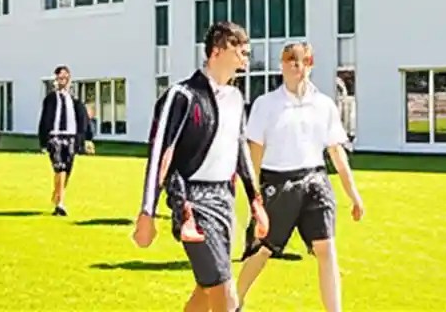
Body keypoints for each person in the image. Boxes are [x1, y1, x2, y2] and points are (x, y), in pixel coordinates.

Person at [133, 21, 269, 312]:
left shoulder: (235, 98)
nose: (247, 53)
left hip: (224, 202)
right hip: (191, 204)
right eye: (240, 47)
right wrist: (148, 212)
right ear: (217, 50)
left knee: (206, 291)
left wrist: (255, 199)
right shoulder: (181, 95)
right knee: (224, 291)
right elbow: (158, 152)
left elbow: (240, 148)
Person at [236, 42, 365, 312]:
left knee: (326, 250)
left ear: (310, 64)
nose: (296, 67)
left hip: (316, 182)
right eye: (290, 61)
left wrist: (354, 195)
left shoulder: (324, 105)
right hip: (278, 184)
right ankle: (233, 303)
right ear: (282, 65)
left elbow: (337, 153)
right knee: (264, 250)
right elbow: (254, 155)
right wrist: (254, 199)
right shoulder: (266, 105)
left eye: (302, 61)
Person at [37, 65, 95, 216]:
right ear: (56, 79)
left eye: (65, 78)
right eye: (60, 78)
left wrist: (87, 139)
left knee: (67, 170)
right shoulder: (50, 99)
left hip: (71, 137)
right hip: (55, 136)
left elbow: (84, 121)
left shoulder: (74, 100)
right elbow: (44, 120)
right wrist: (43, 141)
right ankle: (60, 203)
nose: (63, 81)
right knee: (59, 167)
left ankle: (58, 193)